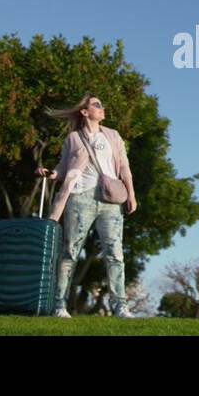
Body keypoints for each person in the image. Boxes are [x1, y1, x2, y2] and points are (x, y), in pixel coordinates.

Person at [36, 93, 138, 318]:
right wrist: (51, 174)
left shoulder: (113, 136)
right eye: (97, 105)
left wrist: (131, 194)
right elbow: (63, 167)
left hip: (110, 200)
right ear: (85, 112)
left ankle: (120, 305)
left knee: (115, 253)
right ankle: (59, 305)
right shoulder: (73, 138)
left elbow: (124, 168)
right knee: (70, 252)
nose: (102, 108)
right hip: (80, 198)